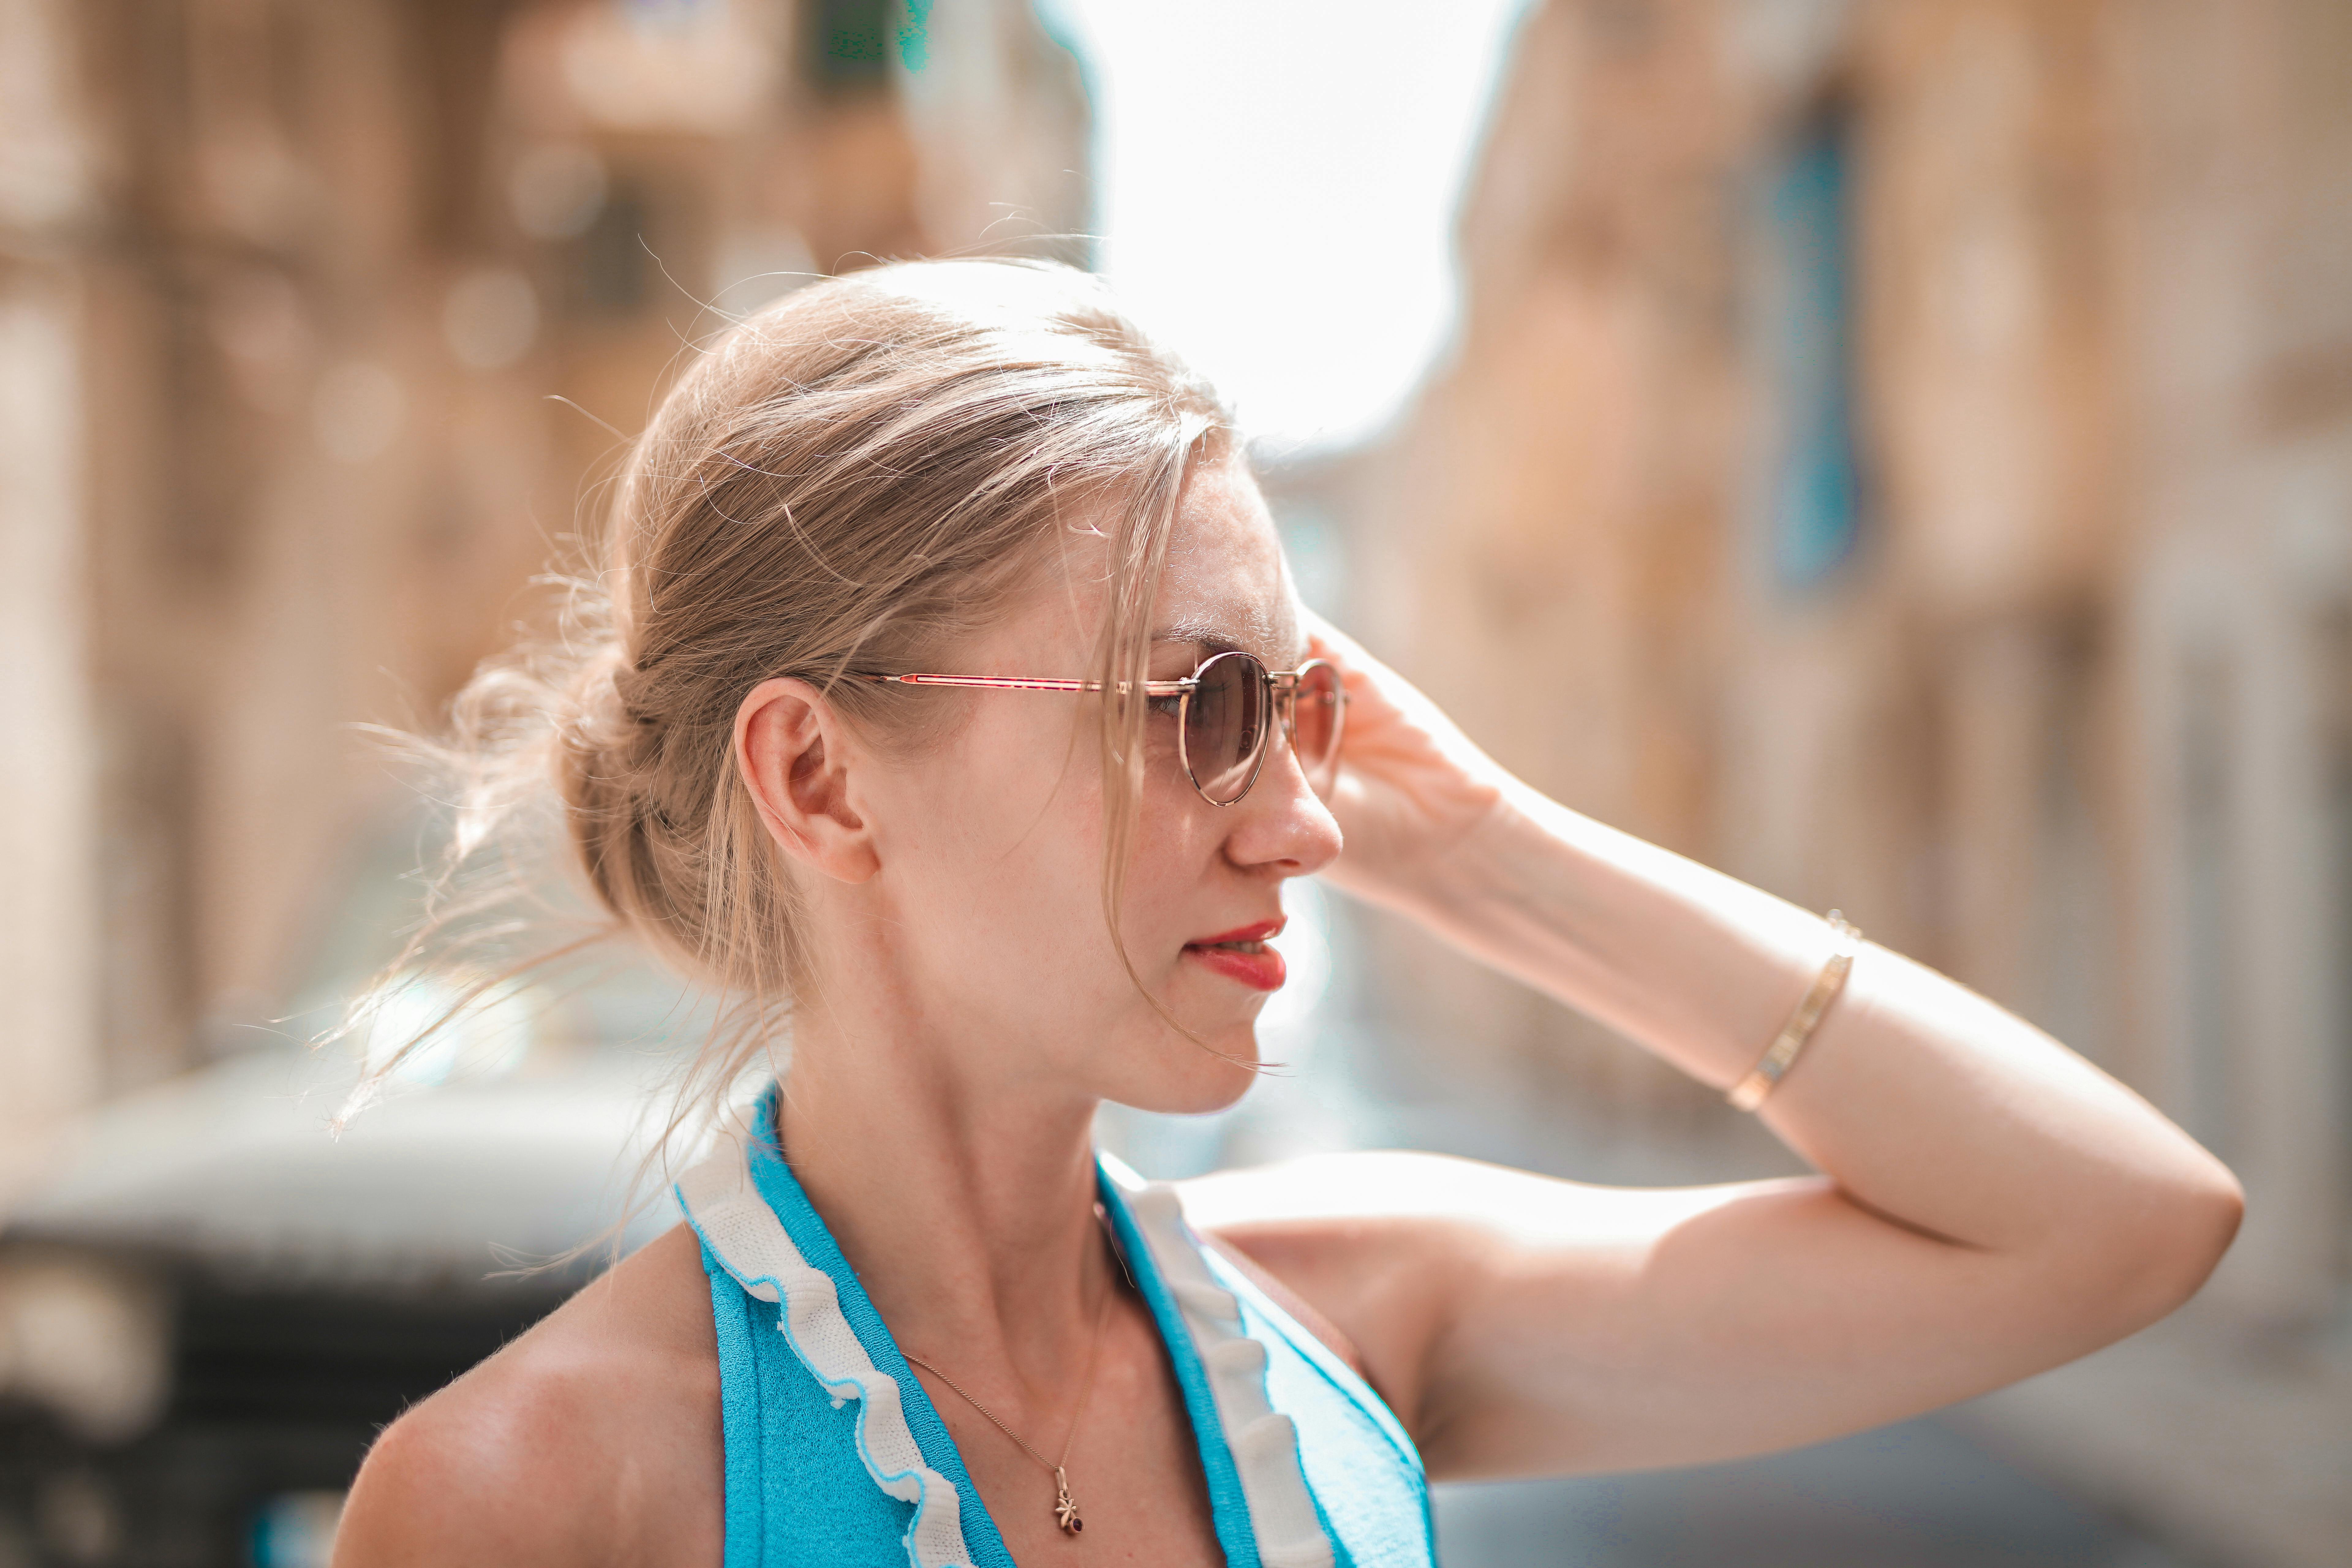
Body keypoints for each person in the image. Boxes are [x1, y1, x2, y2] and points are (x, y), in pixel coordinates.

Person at [333, 259, 2240, 1567]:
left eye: (1300, 703)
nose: (1310, 825)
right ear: (821, 781)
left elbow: (2116, 1225)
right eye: (1202, 710)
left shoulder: (1348, 1319)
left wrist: (1493, 846)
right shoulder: (529, 1492)